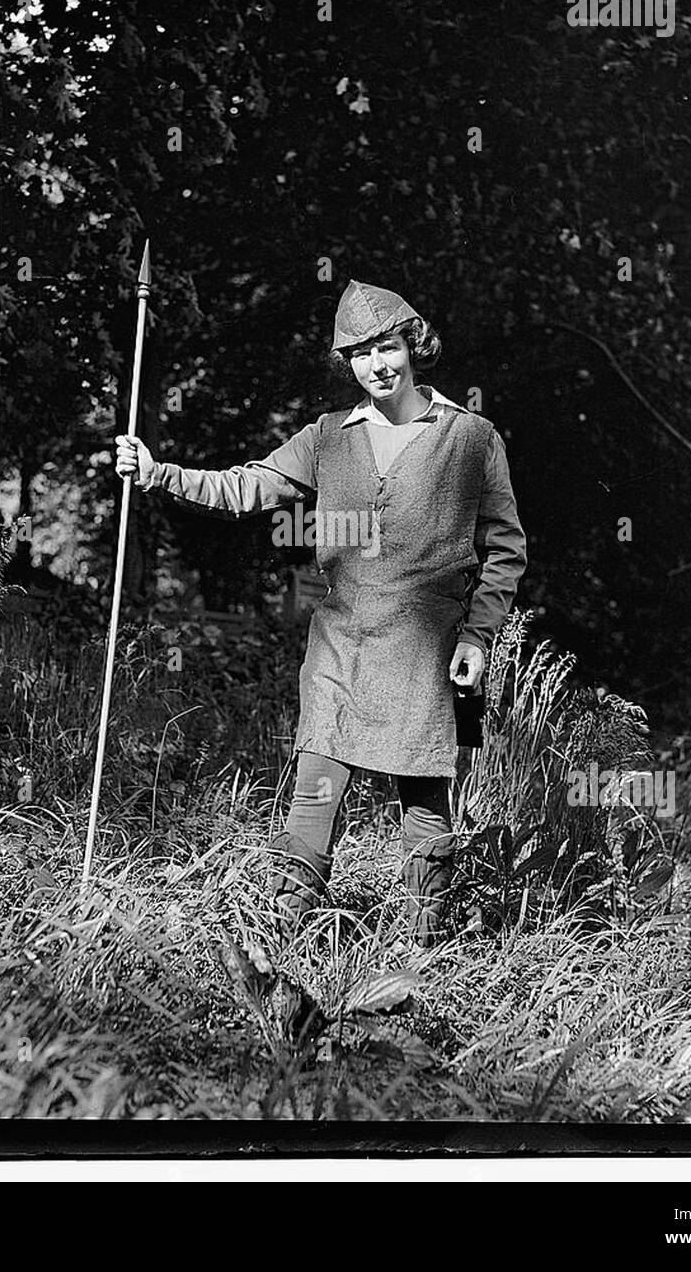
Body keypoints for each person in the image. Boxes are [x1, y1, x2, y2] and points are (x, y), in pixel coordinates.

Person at [115, 280, 527, 948]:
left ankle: (428, 953)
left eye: (387, 346)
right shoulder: (327, 438)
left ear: (412, 344)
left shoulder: (472, 438)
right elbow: (244, 486)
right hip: (340, 645)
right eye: (360, 354)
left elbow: (506, 550)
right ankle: (280, 943)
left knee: (423, 801)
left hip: (427, 650)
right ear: (349, 364)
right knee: (316, 785)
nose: (377, 365)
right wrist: (160, 472)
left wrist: (479, 636)